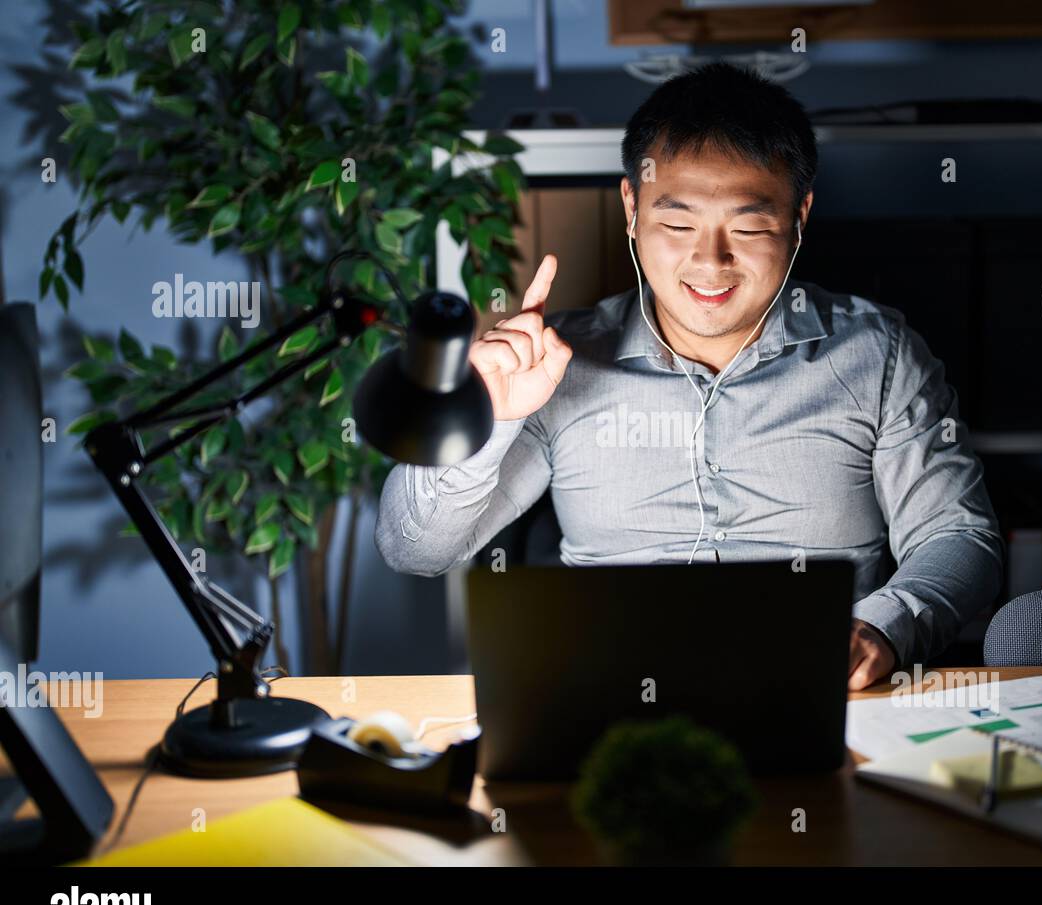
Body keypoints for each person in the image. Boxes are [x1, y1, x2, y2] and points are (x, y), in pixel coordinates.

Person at [376, 63, 1003, 688]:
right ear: (631, 207)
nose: (710, 262)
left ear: (799, 217)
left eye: (750, 226)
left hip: (822, 696)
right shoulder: (554, 362)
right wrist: (488, 415)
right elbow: (414, 551)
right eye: (677, 225)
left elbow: (960, 536)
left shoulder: (879, 354)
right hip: (608, 696)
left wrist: (883, 628)